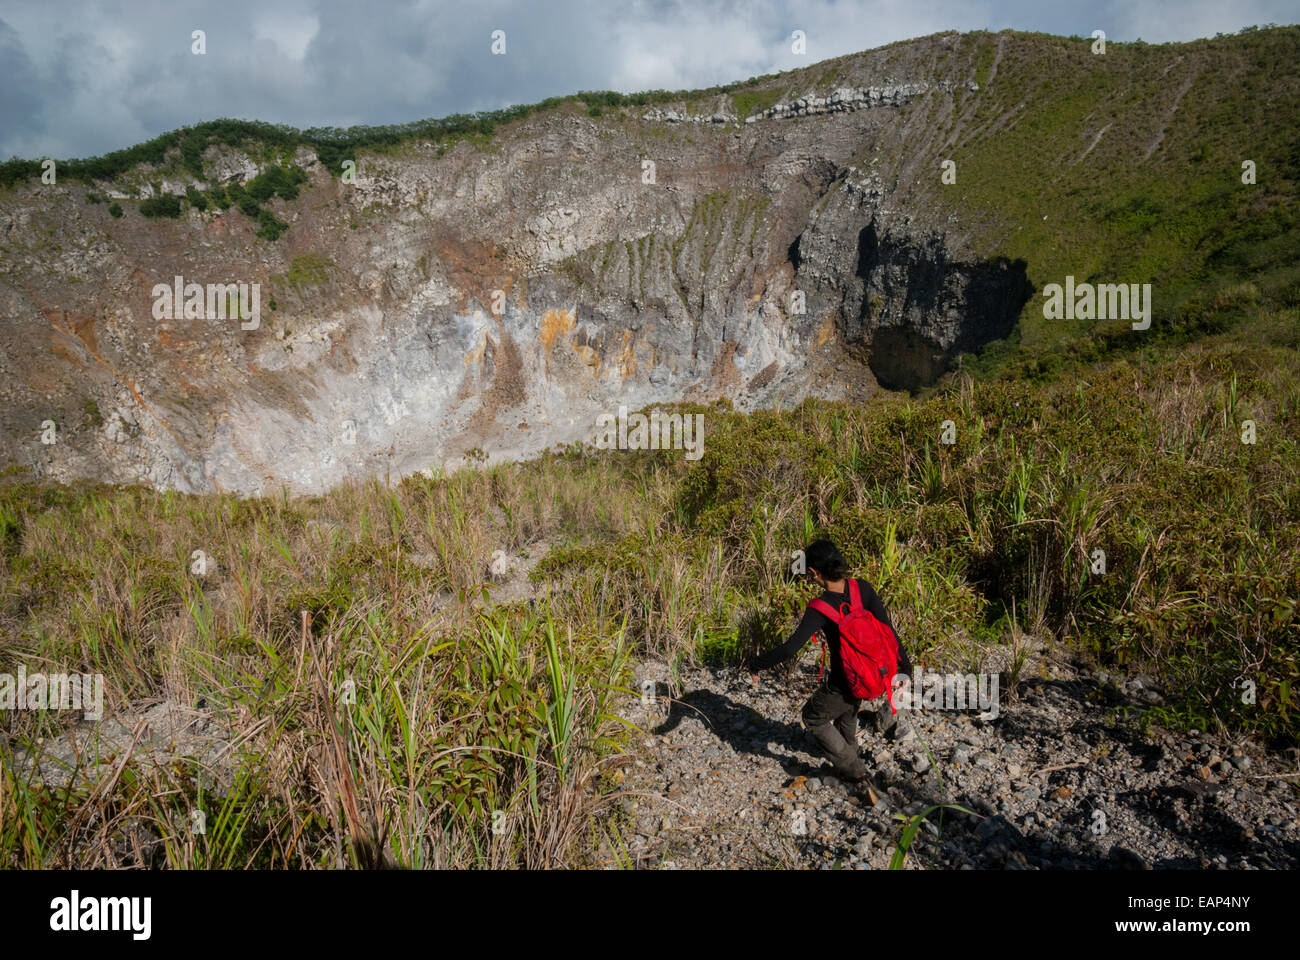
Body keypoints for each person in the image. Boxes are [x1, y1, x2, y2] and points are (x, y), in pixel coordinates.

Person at [747, 539, 911, 796]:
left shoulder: (820, 607)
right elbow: (888, 630)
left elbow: (790, 649)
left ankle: (855, 770)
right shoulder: (863, 589)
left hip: (843, 682)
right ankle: (851, 749)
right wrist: (906, 666)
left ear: (813, 572)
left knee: (813, 718)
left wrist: (757, 663)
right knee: (847, 712)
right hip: (873, 678)